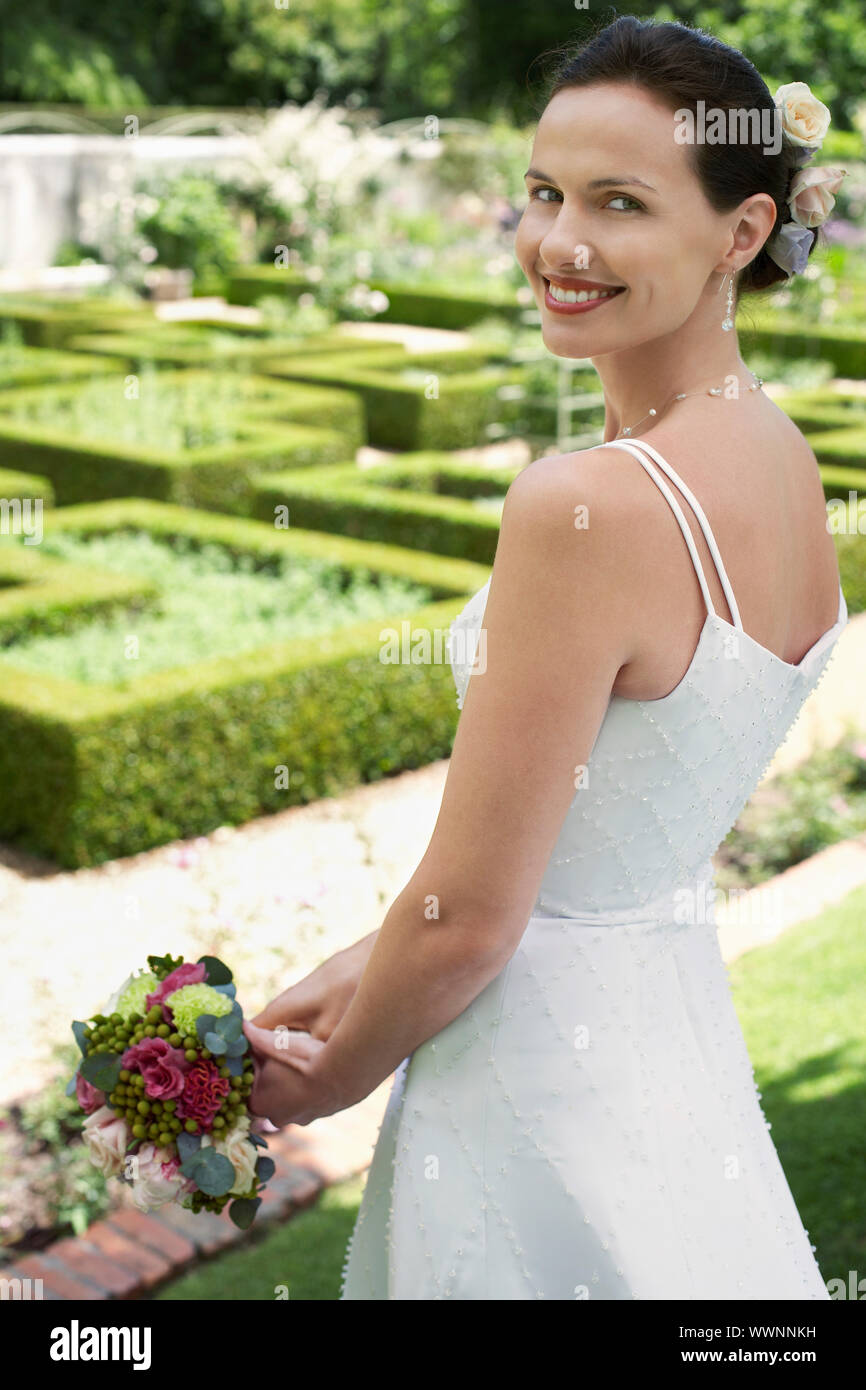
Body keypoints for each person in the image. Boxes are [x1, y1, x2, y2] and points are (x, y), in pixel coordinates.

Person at [243, 16, 849, 1299]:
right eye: (541, 193)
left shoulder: (592, 504)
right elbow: (580, 860)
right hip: (668, 1053)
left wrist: (336, 1078)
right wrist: (341, 982)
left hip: (532, 1089)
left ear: (740, 233)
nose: (556, 245)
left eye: (617, 203)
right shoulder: (782, 463)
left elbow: (473, 919)